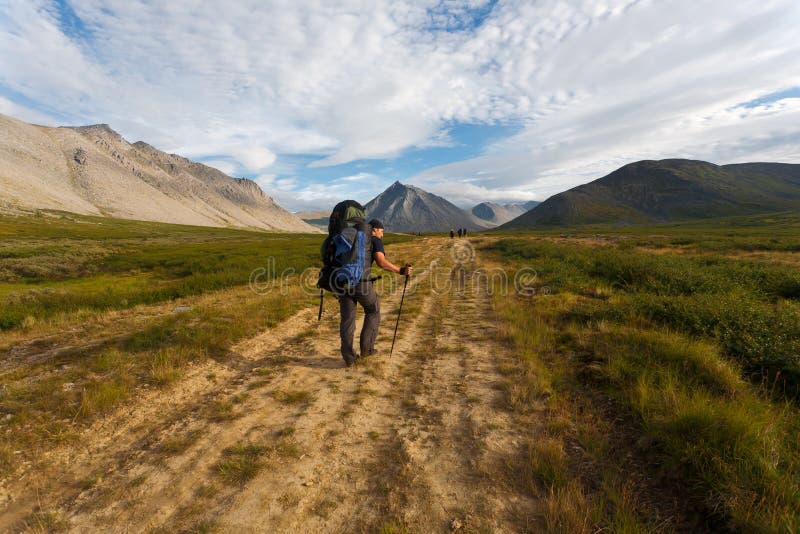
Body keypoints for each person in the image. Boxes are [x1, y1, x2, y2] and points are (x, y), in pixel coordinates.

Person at [337, 218, 412, 366]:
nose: (382, 235)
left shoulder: (349, 238)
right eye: (381, 231)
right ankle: (367, 350)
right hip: (361, 283)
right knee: (373, 310)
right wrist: (401, 270)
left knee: (347, 319)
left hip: (342, 283)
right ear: (373, 230)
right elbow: (381, 262)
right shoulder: (374, 240)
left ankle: (349, 359)